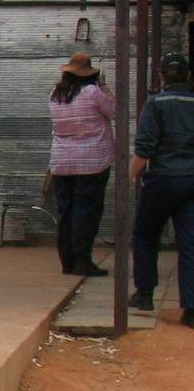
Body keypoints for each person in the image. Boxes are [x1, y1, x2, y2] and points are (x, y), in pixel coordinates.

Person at [131, 51, 194, 326]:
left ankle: (145, 294)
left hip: (162, 180)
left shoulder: (155, 103)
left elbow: (145, 147)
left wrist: (129, 176)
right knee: (190, 243)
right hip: (191, 180)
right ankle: (191, 309)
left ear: (161, 76)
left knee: (145, 235)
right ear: (188, 76)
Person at [46, 51, 115, 278]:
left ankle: (67, 261)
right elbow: (115, 110)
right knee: (87, 212)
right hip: (92, 162)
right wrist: (103, 85)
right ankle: (82, 261)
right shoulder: (93, 92)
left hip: (62, 161)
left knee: (65, 211)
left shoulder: (55, 94)